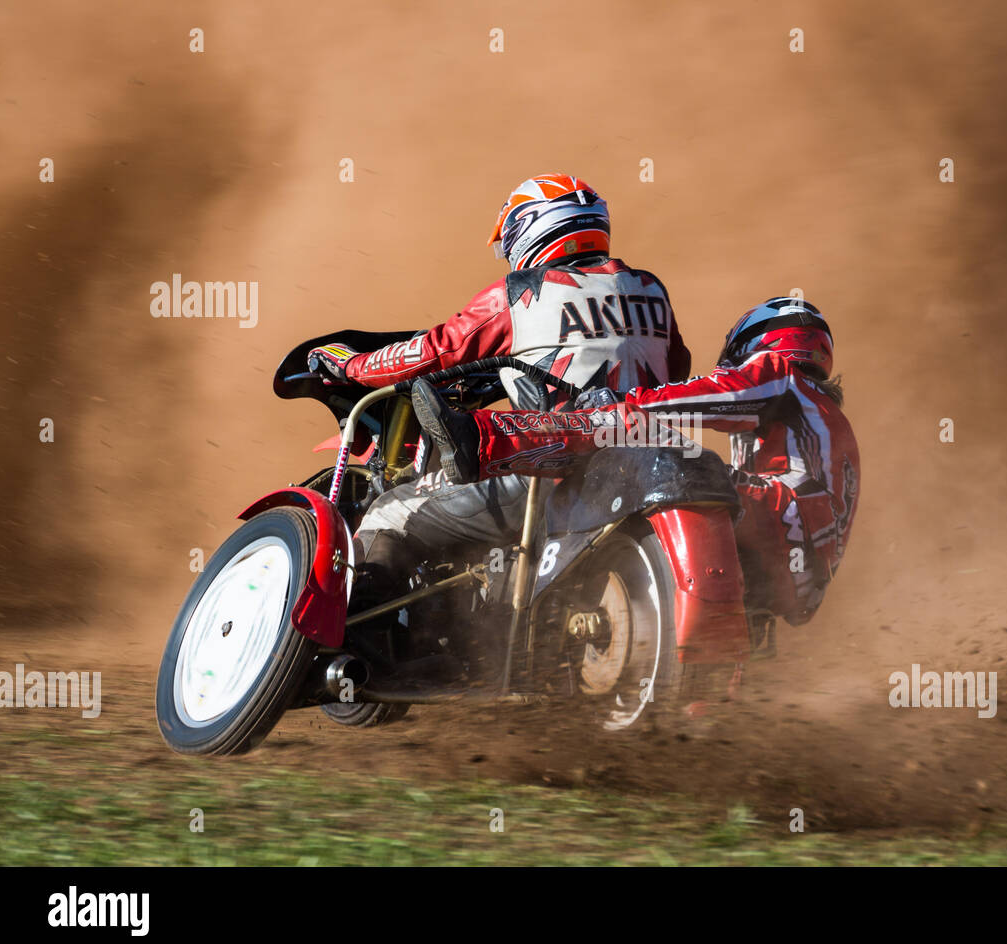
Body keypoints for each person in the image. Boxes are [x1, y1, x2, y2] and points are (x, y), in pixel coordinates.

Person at [305, 174, 691, 604]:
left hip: (545, 468)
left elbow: (434, 352)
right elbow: (678, 369)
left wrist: (349, 364)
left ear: (529, 228)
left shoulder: (522, 293)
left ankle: (362, 653)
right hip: (649, 460)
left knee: (388, 512)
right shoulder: (653, 290)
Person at [412, 297, 860, 626]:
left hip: (782, 517)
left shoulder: (780, 379)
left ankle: (482, 439)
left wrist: (622, 402)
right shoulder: (822, 414)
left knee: (625, 428)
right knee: (674, 453)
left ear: (760, 343)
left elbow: (710, 397)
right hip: (801, 573)